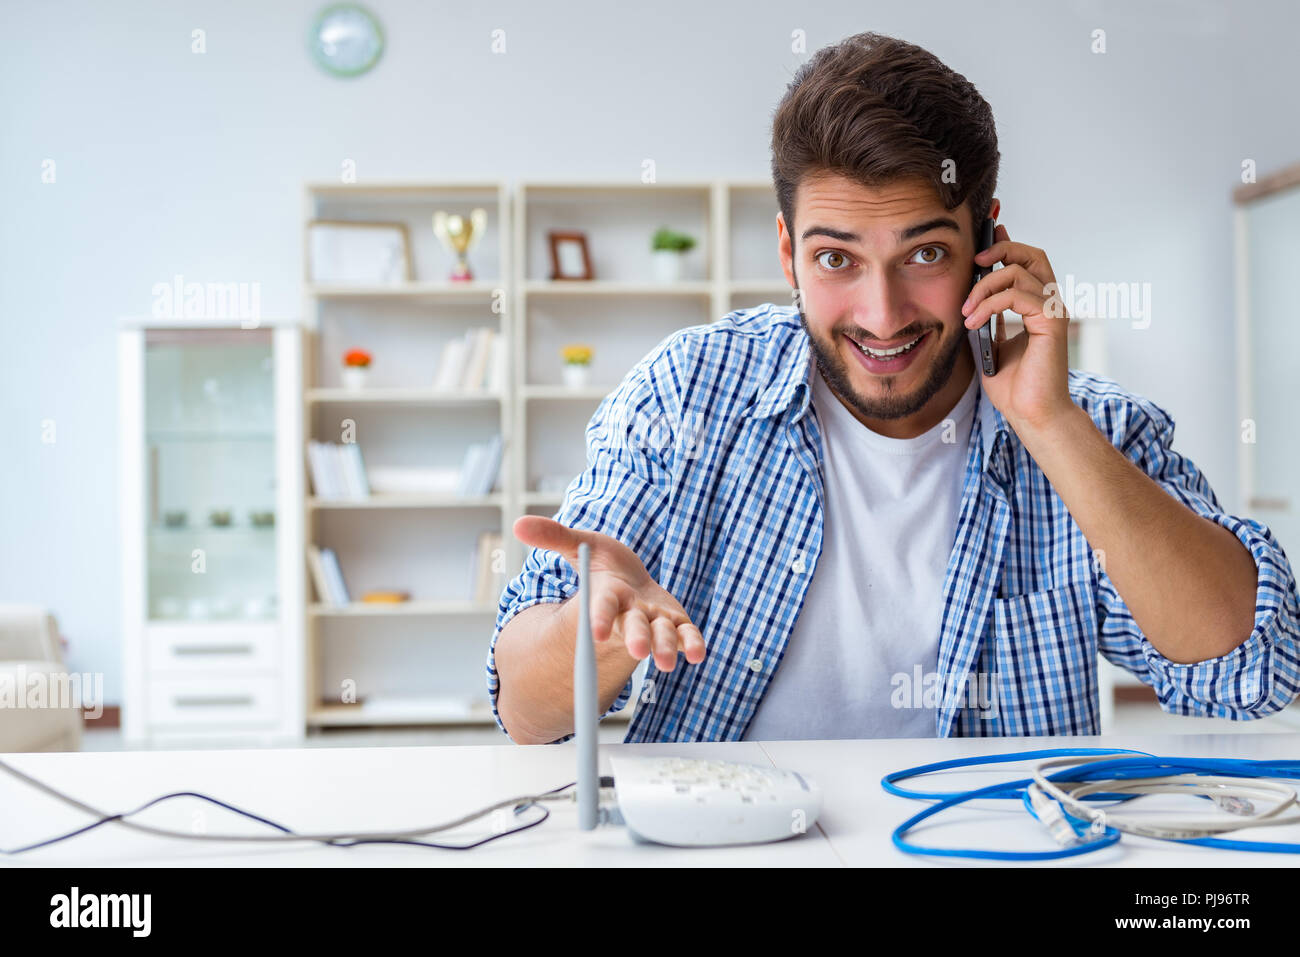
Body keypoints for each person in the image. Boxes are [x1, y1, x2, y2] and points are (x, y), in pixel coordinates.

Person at [487, 31, 1300, 744]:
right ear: (787, 253)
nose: (881, 315)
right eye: (836, 258)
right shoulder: (688, 392)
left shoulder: (1091, 429)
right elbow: (526, 712)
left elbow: (1254, 671)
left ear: (990, 242)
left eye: (924, 254)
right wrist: (593, 630)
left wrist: (1050, 425)